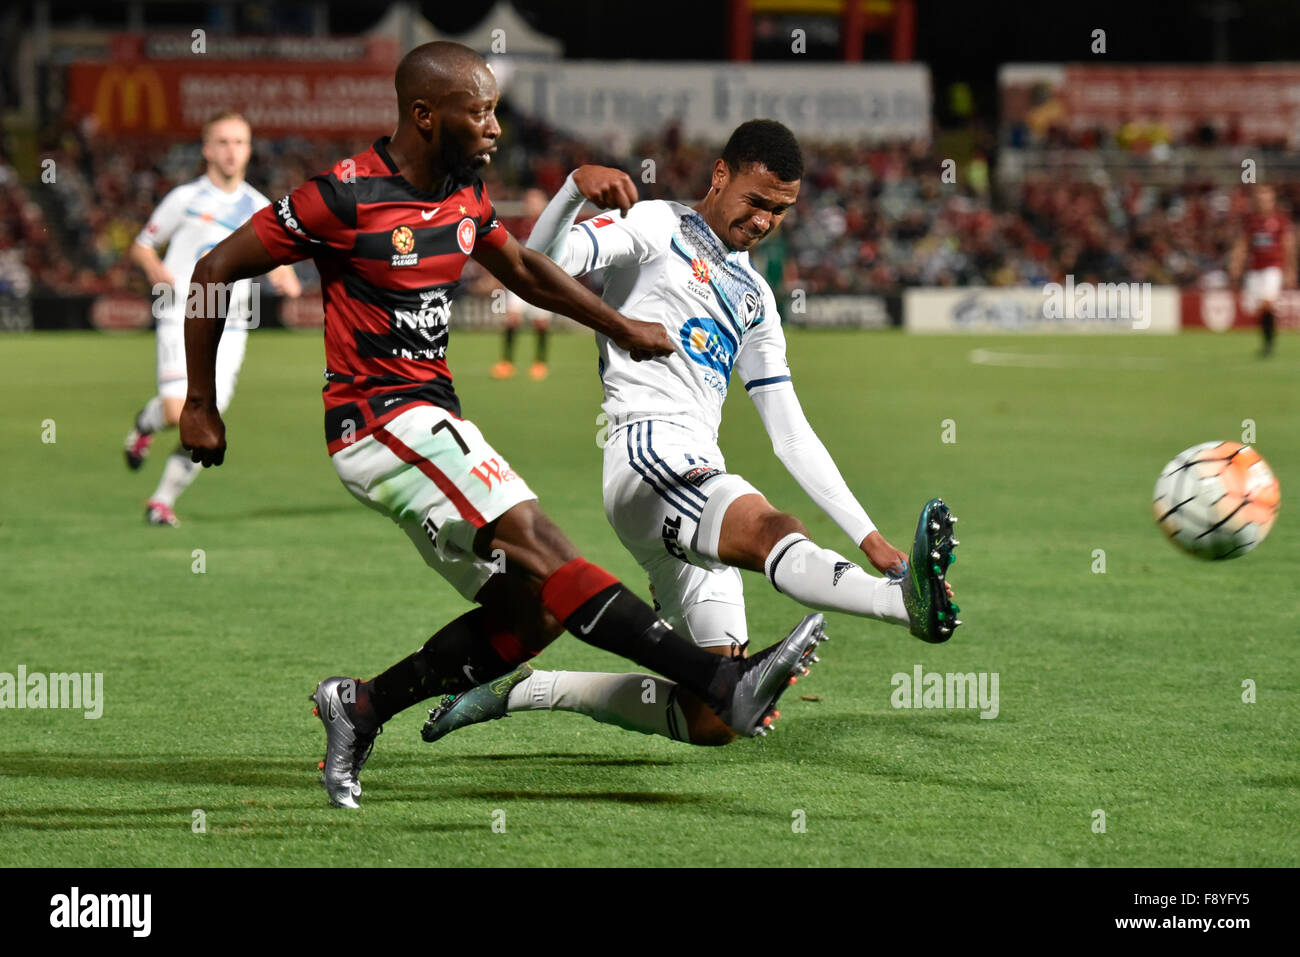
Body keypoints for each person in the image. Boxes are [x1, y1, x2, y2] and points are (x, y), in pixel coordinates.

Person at [178, 43, 825, 809]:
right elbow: (213, 269)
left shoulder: (462, 193)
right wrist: (200, 402)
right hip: (379, 419)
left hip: (430, 418)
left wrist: (619, 325)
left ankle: (362, 704)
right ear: (426, 116)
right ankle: (719, 678)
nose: (494, 126)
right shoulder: (343, 196)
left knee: (537, 608)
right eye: (479, 111)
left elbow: (521, 268)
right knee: (548, 548)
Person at [422, 121, 960, 749]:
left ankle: (527, 689)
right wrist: (571, 190)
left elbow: (790, 432)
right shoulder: (657, 225)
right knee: (773, 529)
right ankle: (902, 606)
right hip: (648, 454)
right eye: (756, 201)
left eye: (780, 210)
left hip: (699, 477)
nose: (763, 220)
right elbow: (538, 268)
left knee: (716, 713)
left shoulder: (756, 299)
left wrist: (869, 538)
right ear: (720, 175)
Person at [123, 111, 301, 526]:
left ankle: (161, 503)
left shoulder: (259, 207)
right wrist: (153, 267)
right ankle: (145, 425)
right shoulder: (184, 199)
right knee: (177, 412)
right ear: (206, 149)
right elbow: (142, 245)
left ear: (249, 150)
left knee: (205, 421)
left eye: (239, 142)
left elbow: (276, 257)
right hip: (181, 313)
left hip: (233, 324)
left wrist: (285, 275)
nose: (231, 151)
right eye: (222, 142)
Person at [490, 188, 553, 380]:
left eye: (535, 201)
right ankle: (506, 363)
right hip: (518, 280)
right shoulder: (517, 225)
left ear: (544, 204)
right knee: (512, 319)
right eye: (528, 200)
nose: (530, 204)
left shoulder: (550, 226)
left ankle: (540, 363)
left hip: (541, 282)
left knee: (541, 323)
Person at [1229, 184, 1295, 357]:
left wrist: (1290, 269)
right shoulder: (1251, 221)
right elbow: (1243, 244)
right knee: (1257, 308)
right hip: (1255, 269)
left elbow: (1288, 245)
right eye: (1260, 199)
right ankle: (1268, 339)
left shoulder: (1280, 220)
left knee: (1267, 303)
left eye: (1267, 199)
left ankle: (1269, 343)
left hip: (1273, 267)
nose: (1263, 202)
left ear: (1273, 200)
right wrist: (1236, 263)